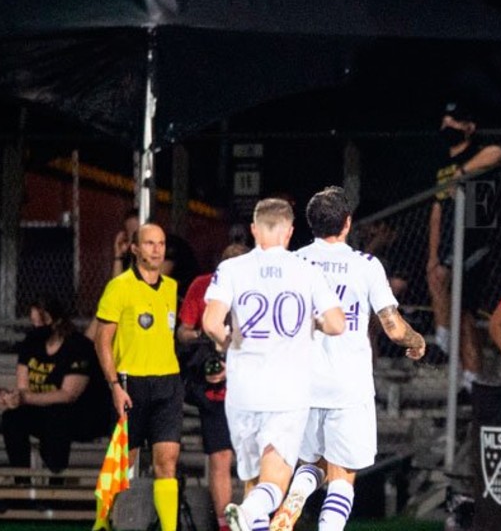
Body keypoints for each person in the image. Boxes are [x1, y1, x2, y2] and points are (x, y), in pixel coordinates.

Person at [270, 186, 429, 531]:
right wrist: (416, 341)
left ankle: (292, 503)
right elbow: (392, 327)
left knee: (310, 463)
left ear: (309, 225)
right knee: (343, 474)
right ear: (347, 223)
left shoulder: (292, 263)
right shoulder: (365, 265)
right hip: (348, 386)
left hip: (302, 385)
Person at [201, 198, 347, 531]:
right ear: (290, 231)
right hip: (286, 391)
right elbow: (337, 324)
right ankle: (251, 509)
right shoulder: (307, 270)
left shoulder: (232, 269)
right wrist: (315, 323)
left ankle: (252, 516)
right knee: (274, 483)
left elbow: (211, 323)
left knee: (253, 476)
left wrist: (229, 343)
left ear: (254, 229)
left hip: (243, 391)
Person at [94, 223, 183, 531]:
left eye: (160, 243)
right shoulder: (119, 287)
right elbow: (102, 339)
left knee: (167, 461)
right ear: (134, 248)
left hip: (168, 382)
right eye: (149, 243)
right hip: (131, 383)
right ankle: (102, 520)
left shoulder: (171, 287)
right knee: (123, 462)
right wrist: (115, 386)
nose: (157, 249)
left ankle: (170, 528)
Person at [427, 101, 501, 385]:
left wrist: (464, 172)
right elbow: (436, 210)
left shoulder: (477, 152)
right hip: (448, 241)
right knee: (449, 294)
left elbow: (497, 152)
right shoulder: (442, 163)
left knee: (465, 310)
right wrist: (432, 253)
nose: (448, 126)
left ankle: (448, 346)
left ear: (469, 127)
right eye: (445, 121)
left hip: (474, 240)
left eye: (455, 121)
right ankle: (463, 371)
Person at [178, 242, 250, 531]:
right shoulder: (203, 286)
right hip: (216, 391)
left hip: (253, 387)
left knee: (255, 459)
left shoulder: (260, 288)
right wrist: (206, 341)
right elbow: (183, 332)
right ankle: (225, 526)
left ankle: (256, 520)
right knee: (220, 458)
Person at [0, 299, 104, 472]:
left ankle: (56, 477)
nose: (37, 326)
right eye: (33, 321)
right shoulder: (31, 343)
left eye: (41, 321)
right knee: (12, 418)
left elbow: (69, 394)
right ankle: (20, 478)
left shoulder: (76, 346)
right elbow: (24, 387)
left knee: (57, 414)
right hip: (43, 411)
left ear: (57, 321)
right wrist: (12, 398)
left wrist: (27, 398)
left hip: (78, 414)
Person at [110, 208, 140, 277]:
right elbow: (117, 282)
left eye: (135, 233)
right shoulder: (126, 255)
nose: (132, 238)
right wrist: (118, 253)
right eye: (129, 233)